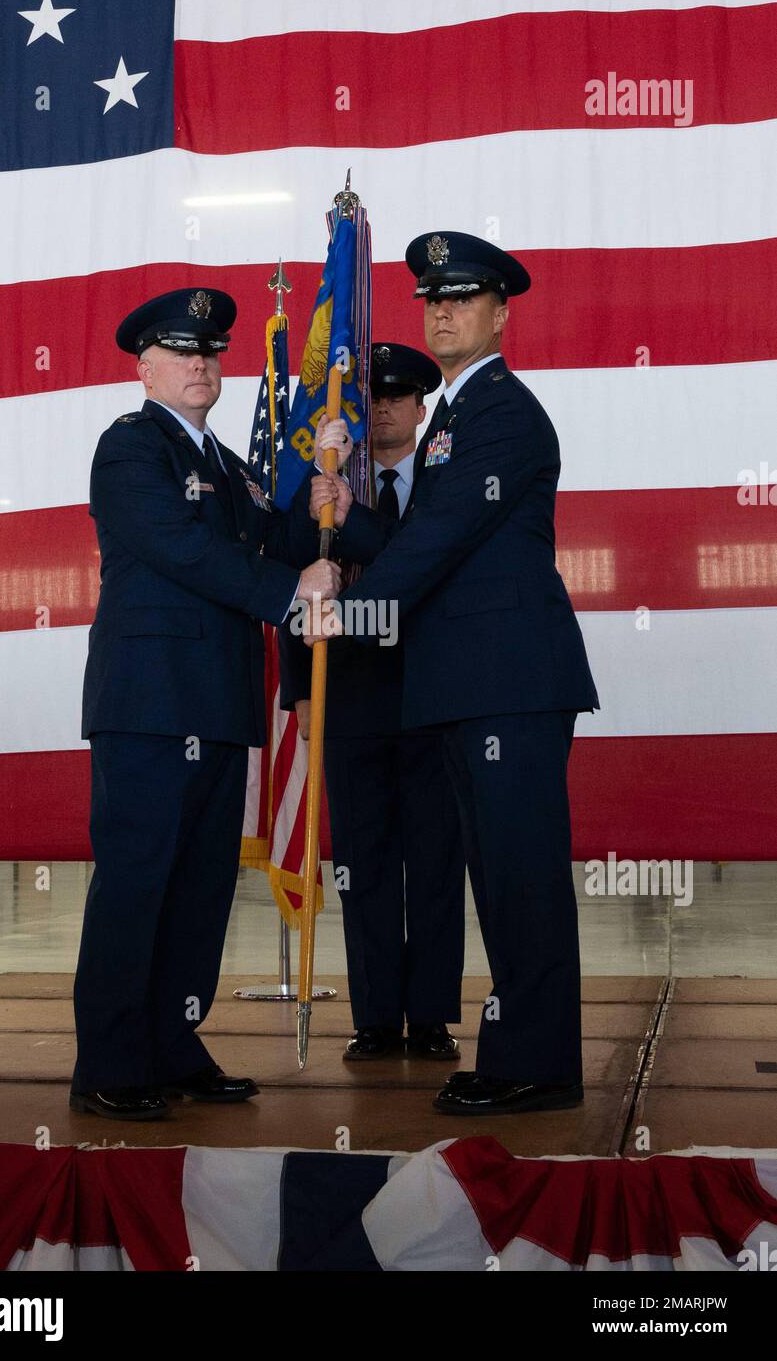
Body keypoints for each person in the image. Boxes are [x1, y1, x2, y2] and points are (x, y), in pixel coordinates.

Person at [303, 233, 600, 1115]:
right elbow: (410, 546)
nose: (441, 311)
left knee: (521, 877)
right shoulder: (456, 422)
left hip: (505, 682)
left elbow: (434, 547)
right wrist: (346, 522)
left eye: (462, 299)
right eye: (431, 299)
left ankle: (536, 1064)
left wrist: (341, 614)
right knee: (501, 877)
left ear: (500, 313)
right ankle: (520, 1051)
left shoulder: (501, 413)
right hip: (473, 687)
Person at [71, 286, 349, 1121]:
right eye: (182, 352)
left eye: (211, 353)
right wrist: (288, 588)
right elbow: (184, 551)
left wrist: (322, 479)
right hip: (151, 705)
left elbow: (274, 544)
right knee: (137, 881)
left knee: (198, 890)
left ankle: (171, 1043)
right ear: (144, 366)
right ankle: (111, 1065)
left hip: (219, 703)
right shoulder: (130, 450)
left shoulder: (228, 465)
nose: (201, 364)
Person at [280, 343, 467, 1062]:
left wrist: (351, 518)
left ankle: (429, 1018)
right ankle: (376, 1017)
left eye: (397, 398)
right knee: (361, 862)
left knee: (434, 861)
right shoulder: (323, 481)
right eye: (370, 400)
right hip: (349, 692)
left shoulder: (447, 480)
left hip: (431, 691)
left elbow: (416, 560)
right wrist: (298, 686)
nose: (383, 409)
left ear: (421, 411)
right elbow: (297, 577)